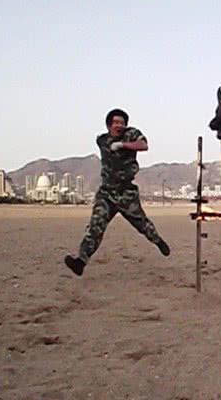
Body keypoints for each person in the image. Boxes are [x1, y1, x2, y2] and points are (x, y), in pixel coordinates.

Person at [64, 109, 170, 276]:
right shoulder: (102, 140)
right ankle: (81, 261)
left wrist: (123, 145)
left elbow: (143, 145)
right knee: (95, 226)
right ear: (109, 125)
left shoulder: (131, 134)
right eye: (116, 123)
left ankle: (158, 241)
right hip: (106, 193)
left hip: (126, 192)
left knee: (142, 224)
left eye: (122, 123)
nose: (119, 126)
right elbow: (103, 142)